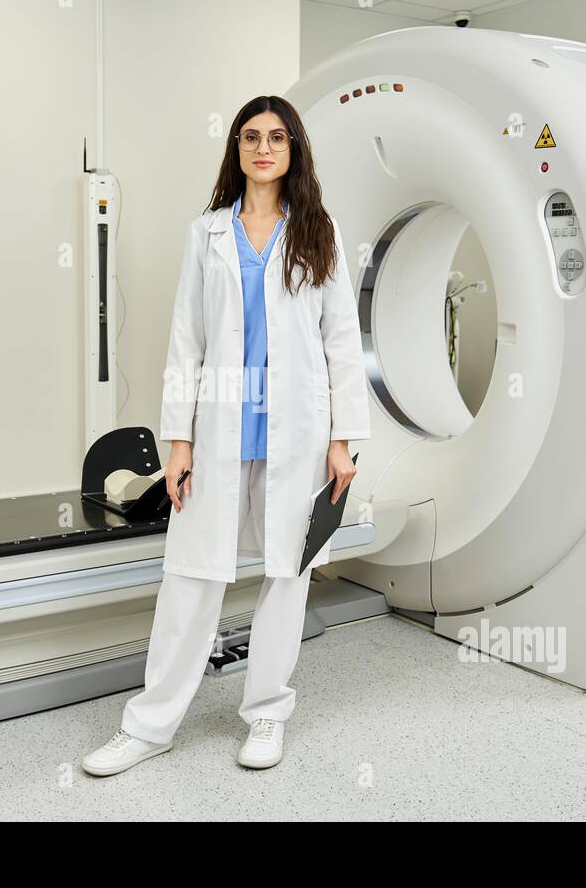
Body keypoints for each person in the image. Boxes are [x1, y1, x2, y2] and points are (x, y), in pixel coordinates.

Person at [81, 95, 371, 776]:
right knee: (189, 576)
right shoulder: (207, 233)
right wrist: (177, 441)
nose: (262, 147)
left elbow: (342, 342)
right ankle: (150, 726)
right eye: (250, 137)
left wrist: (344, 438)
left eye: (275, 137)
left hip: (297, 433)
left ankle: (266, 714)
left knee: (284, 573)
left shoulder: (318, 232)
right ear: (236, 150)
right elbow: (187, 341)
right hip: (216, 432)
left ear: (293, 149)